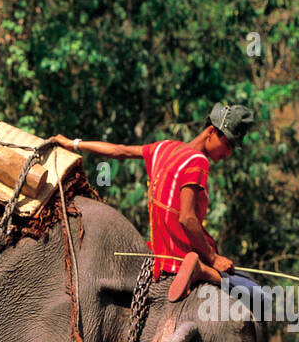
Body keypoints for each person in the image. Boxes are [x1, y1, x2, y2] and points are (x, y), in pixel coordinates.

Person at [49, 103, 257, 302]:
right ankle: (201, 271)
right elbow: (186, 218)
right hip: (181, 257)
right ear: (211, 132)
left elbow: (119, 151)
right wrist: (212, 258)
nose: (228, 153)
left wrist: (73, 143)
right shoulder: (197, 162)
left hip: (159, 254)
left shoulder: (165, 148)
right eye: (227, 144)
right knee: (258, 295)